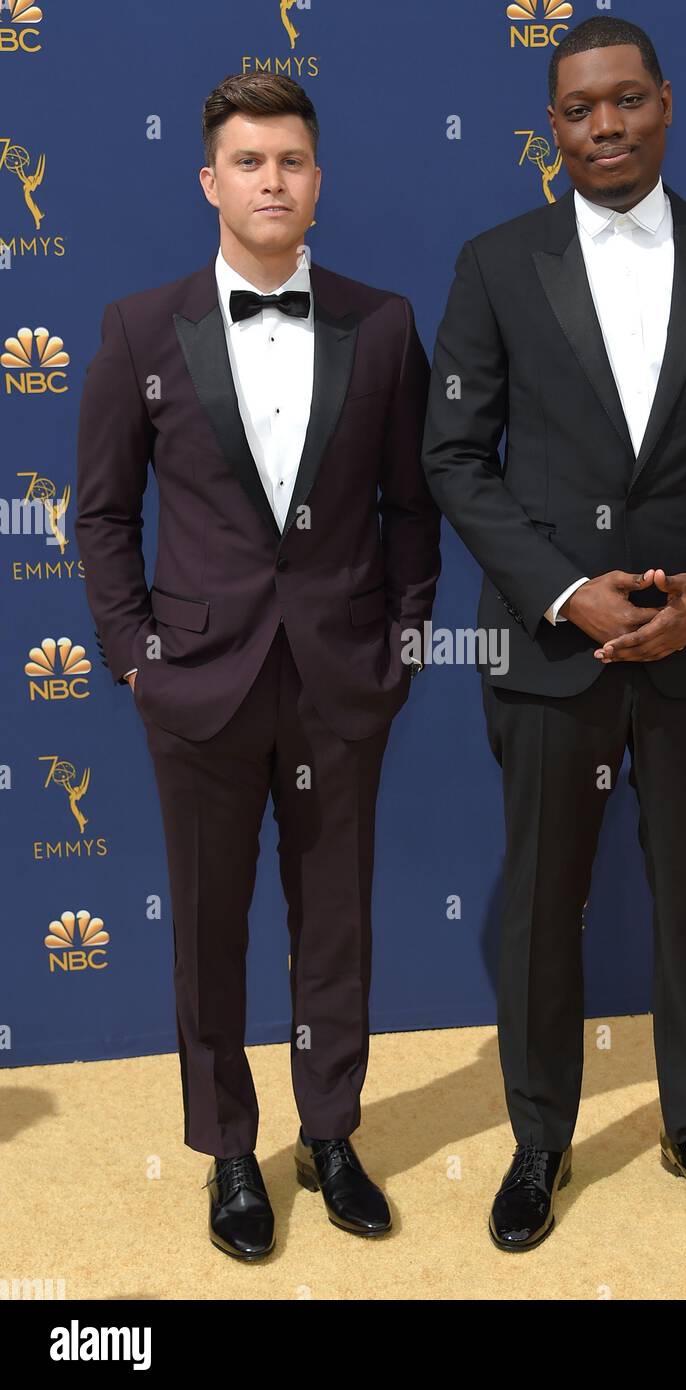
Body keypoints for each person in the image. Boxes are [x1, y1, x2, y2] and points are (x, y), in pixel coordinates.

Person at [421, 16, 686, 1251]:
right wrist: (565, 590)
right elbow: (455, 455)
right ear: (552, 126)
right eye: (579, 108)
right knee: (545, 900)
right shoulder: (495, 263)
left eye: (626, 100)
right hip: (554, 650)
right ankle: (540, 1137)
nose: (605, 125)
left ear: (667, 104)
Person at [75, 72, 440, 1261]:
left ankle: (330, 1132)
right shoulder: (139, 326)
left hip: (341, 674)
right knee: (208, 926)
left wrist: (407, 631)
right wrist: (133, 655)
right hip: (197, 679)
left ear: (317, 180)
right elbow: (103, 513)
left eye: (289, 160)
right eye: (248, 161)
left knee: (334, 925)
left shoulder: (381, 324)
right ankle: (231, 1148)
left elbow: (412, 500)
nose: (270, 180)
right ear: (209, 181)